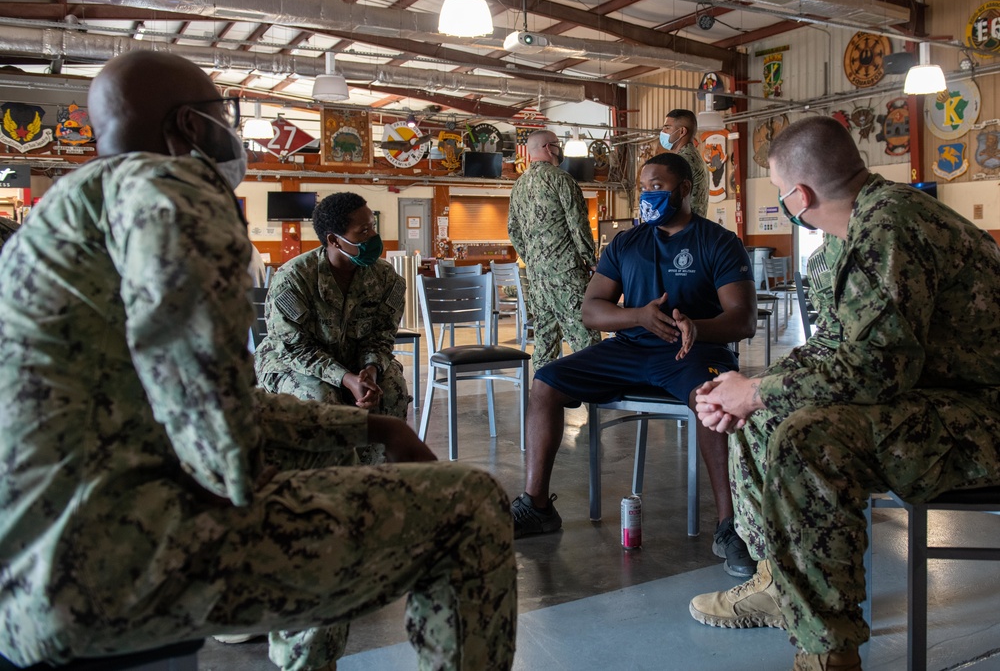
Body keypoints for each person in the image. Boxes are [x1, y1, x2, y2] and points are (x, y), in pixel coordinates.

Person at [0, 51, 517, 671]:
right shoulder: (173, 192)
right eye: (223, 113)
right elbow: (215, 423)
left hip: (31, 569)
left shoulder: (59, 218)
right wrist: (284, 509)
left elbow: (180, 395)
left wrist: (373, 427)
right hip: (114, 559)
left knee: (335, 504)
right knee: (471, 506)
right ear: (190, 124)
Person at [690, 115, 1000, 671]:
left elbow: (878, 370)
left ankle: (827, 653)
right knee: (766, 414)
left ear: (798, 195)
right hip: (933, 402)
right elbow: (836, 347)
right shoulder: (847, 236)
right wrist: (749, 389)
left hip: (983, 416)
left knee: (810, 437)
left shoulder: (891, 226)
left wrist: (759, 393)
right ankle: (779, 586)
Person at [510, 152, 759, 579]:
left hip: (694, 352)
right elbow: (592, 310)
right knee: (546, 383)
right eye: (644, 187)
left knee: (711, 400)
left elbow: (743, 319)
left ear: (684, 188)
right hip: (630, 348)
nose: (649, 194)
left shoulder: (718, 242)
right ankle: (536, 507)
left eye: (658, 186)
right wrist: (639, 316)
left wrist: (694, 327)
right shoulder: (627, 243)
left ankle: (730, 526)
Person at [255, 192, 410, 421]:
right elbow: (294, 349)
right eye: (363, 231)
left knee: (391, 388)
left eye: (373, 227)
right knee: (321, 397)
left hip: (355, 361)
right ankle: (332, 458)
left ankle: (378, 457)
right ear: (334, 240)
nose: (374, 236)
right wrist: (346, 379)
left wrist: (370, 371)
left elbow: (381, 336)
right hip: (292, 364)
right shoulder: (294, 278)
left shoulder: (386, 277)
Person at [507, 129, 601, 369]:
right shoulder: (561, 179)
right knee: (585, 334)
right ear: (549, 148)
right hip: (566, 273)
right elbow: (578, 224)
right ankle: (595, 391)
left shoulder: (518, 186)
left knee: (545, 337)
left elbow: (513, 231)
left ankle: (544, 391)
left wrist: (533, 260)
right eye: (558, 145)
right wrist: (591, 261)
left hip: (537, 277)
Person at [659, 109, 709, 218]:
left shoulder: (682, 160)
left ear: (682, 131)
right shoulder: (695, 156)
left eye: (667, 127)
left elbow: (671, 200)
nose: (662, 131)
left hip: (683, 229)